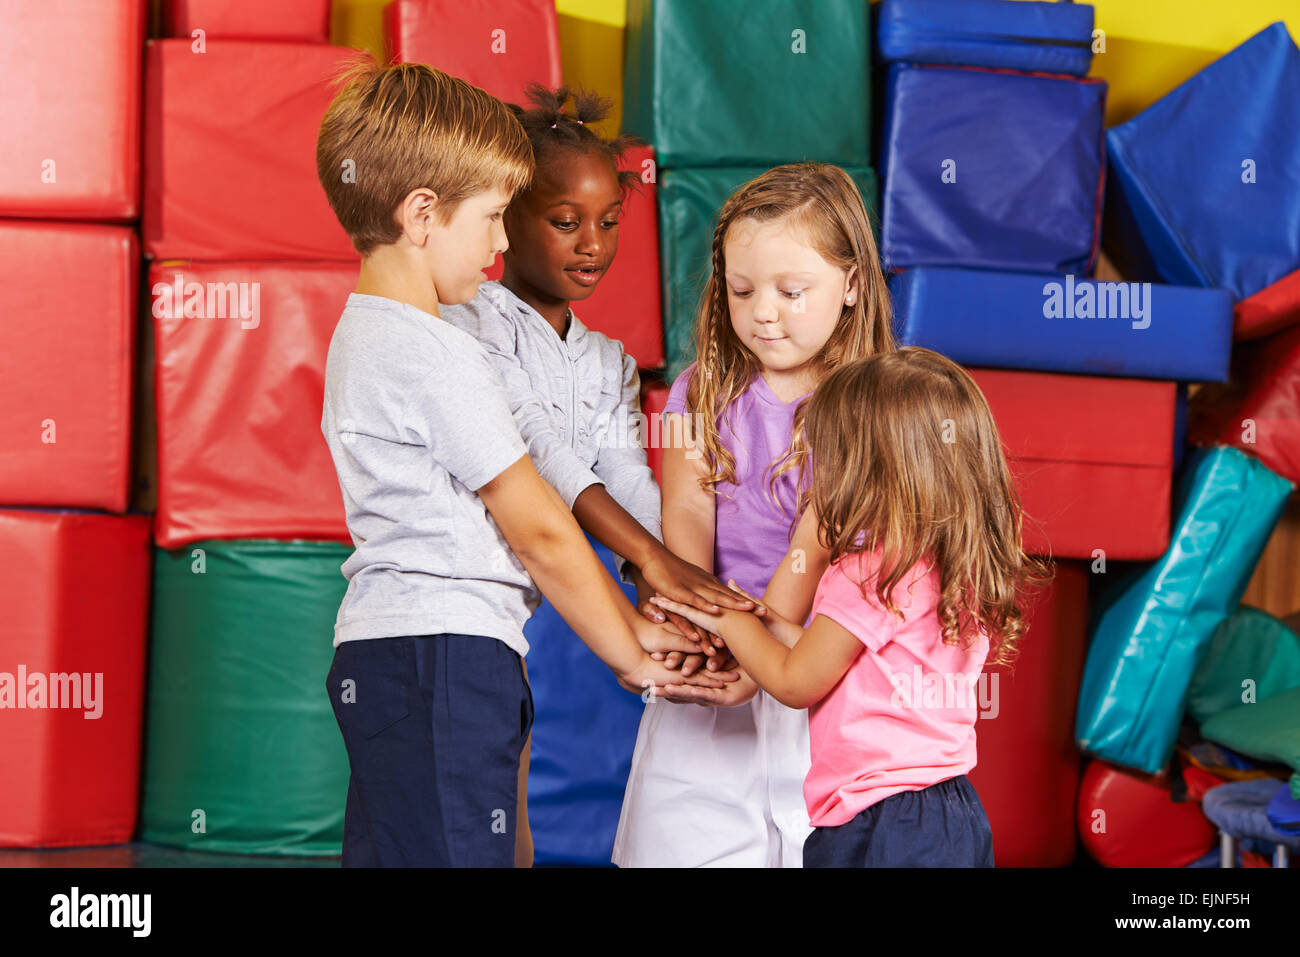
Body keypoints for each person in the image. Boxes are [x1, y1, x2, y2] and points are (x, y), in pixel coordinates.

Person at [313, 58, 734, 867]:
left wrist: (656, 591)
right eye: (494, 218)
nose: (501, 244)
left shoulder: (376, 332)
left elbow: (603, 488)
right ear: (424, 214)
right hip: (440, 652)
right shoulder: (439, 348)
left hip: (429, 652)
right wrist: (635, 650)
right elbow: (539, 523)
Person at [442, 84, 751, 864]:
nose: (593, 244)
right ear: (506, 218)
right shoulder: (472, 320)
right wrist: (652, 561)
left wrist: (674, 593)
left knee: (506, 827)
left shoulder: (607, 358)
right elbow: (545, 455)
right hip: (448, 605)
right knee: (456, 820)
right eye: (565, 221)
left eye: (609, 222)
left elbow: (624, 475)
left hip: (506, 616)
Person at [651, 348, 1052, 867]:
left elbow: (797, 684)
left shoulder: (869, 570)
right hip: (948, 811)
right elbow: (856, 663)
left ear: (867, 465)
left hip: (881, 819)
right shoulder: (943, 563)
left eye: (828, 457)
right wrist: (768, 620)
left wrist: (720, 615)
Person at [613, 163, 895, 867]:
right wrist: (696, 614)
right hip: (719, 658)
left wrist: (761, 650)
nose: (764, 311)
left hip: (818, 665)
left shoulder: (873, 409)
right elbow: (684, 500)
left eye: (791, 292)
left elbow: (819, 543)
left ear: (852, 285)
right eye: (743, 290)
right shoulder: (697, 391)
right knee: (680, 839)